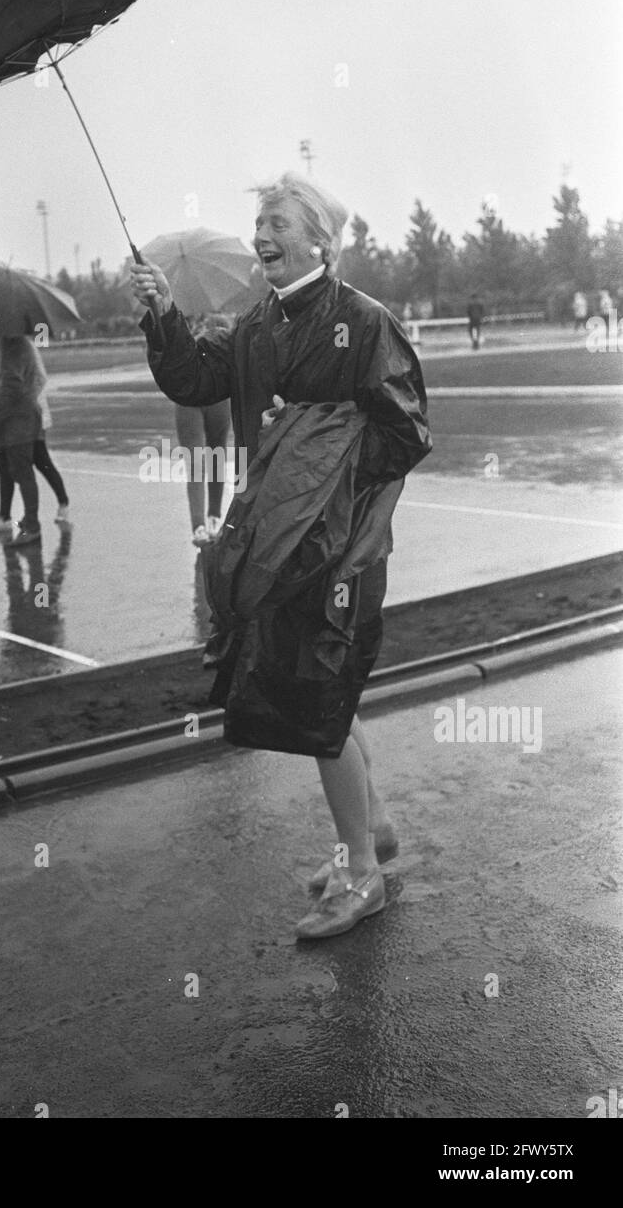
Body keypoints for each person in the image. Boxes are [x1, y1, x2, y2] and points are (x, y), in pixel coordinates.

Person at [131, 172, 431, 940]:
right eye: (258, 224)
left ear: (320, 242)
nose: (261, 237)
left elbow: (403, 434)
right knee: (323, 687)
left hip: (340, 546)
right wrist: (162, 314)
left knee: (317, 694)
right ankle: (377, 827)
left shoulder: (364, 322)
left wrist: (316, 471)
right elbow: (190, 376)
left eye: (277, 225)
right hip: (275, 544)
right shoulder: (254, 326)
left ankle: (360, 872)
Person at [0, 330, 44, 547]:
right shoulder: (6, 342)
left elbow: (12, 384)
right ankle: (29, 520)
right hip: (17, 415)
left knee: (22, 471)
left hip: (18, 417)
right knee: (18, 469)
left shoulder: (12, 345)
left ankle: (33, 526)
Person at [174, 315, 232, 546]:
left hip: (204, 400)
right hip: (201, 401)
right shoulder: (193, 334)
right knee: (209, 460)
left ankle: (206, 522)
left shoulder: (200, 335)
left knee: (205, 463)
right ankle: (208, 521)